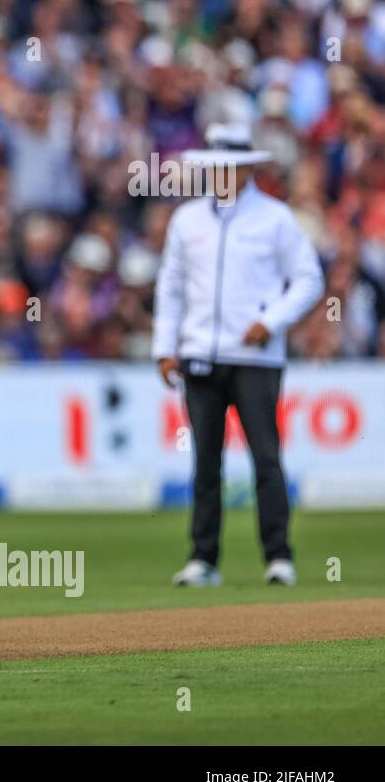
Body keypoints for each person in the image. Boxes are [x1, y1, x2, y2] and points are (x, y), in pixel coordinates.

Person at [153, 123, 325, 587]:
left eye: (231, 168)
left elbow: (310, 280)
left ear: (248, 170)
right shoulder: (187, 220)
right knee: (205, 462)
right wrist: (164, 349)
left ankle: (278, 556)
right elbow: (170, 287)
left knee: (266, 458)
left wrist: (270, 321)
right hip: (200, 355)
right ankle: (203, 559)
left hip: (256, 359)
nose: (222, 176)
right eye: (216, 168)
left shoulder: (275, 218)